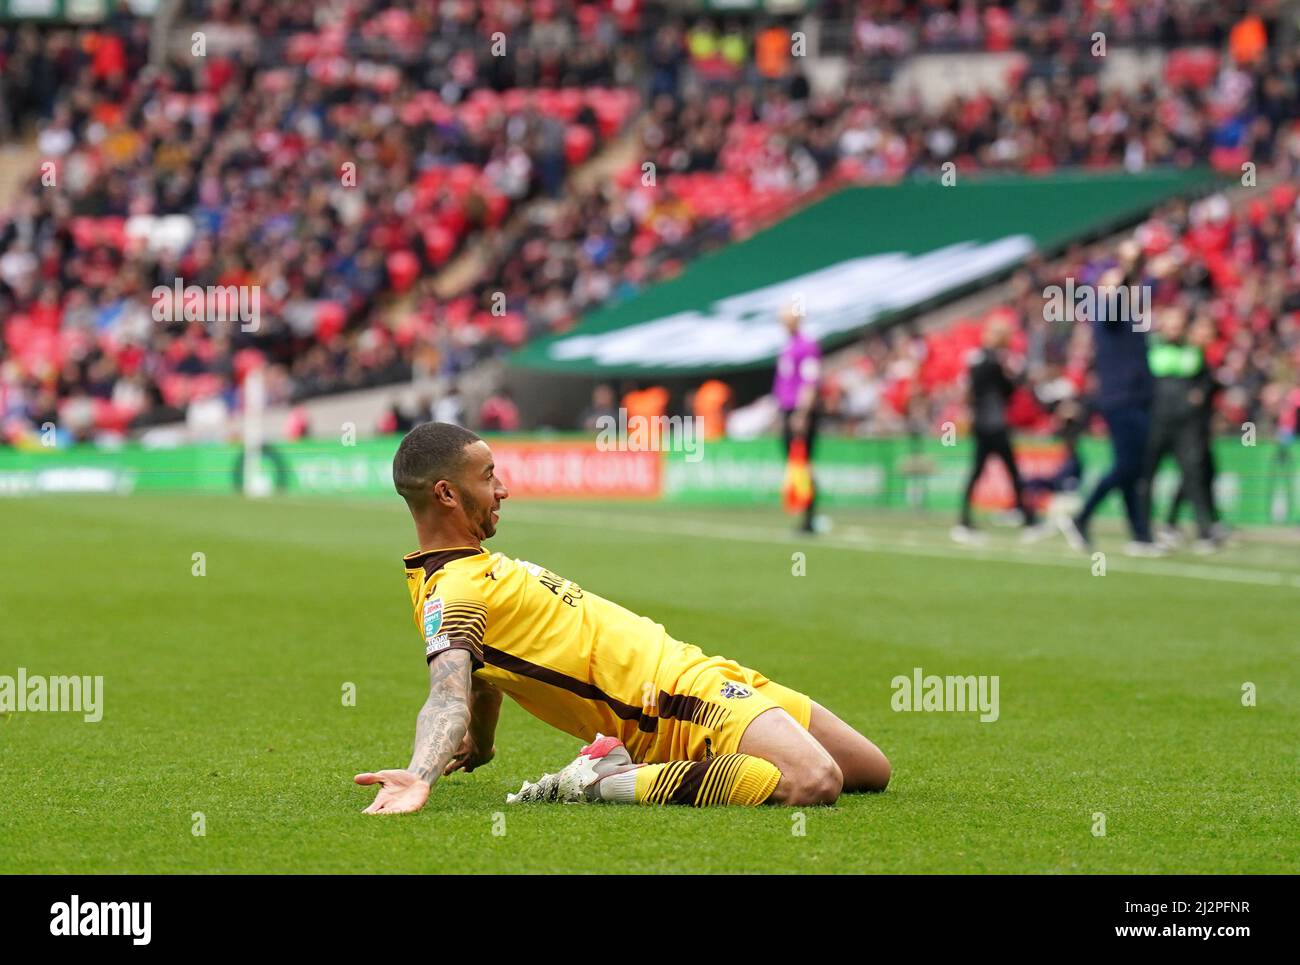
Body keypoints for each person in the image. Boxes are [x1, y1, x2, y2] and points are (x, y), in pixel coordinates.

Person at [355, 423, 890, 813]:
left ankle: (632, 768)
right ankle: (607, 779)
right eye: (488, 476)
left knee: (871, 771)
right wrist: (419, 775)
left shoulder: (467, 571)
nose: (503, 489)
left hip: (699, 670)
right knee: (815, 780)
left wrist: (484, 742)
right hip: (667, 705)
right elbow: (446, 695)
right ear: (446, 493)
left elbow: (480, 675)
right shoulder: (453, 591)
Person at [1059, 242, 1163, 555]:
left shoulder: (1125, 314)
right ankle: (1082, 516)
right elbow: (1120, 297)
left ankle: (1141, 534)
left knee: (1131, 469)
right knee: (1130, 466)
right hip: (1122, 399)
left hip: (1132, 398)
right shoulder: (1106, 313)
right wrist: (1135, 276)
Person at [953, 319, 1042, 543]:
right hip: (994, 425)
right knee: (1008, 472)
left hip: (984, 423)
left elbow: (982, 390)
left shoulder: (981, 359)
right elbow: (1005, 390)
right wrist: (1016, 376)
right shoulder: (993, 361)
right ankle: (1028, 518)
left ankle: (965, 520)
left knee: (980, 472)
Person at [774, 306, 822, 533]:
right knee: (796, 465)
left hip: (799, 412)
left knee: (804, 463)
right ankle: (803, 514)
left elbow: (810, 381)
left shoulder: (807, 346)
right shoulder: (788, 346)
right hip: (787, 410)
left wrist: (802, 413)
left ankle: (810, 517)